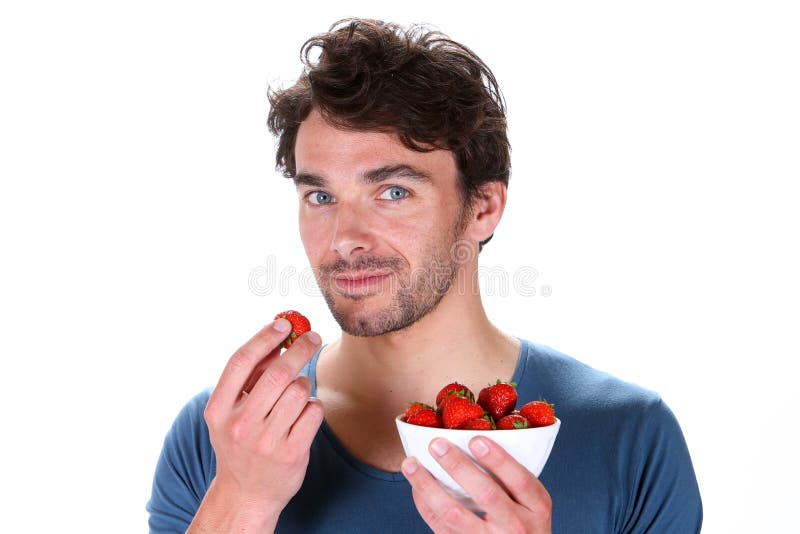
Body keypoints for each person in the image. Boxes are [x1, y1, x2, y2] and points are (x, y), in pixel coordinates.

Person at [147, 18, 702, 533]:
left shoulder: (631, 438)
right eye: (320, 195)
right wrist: (241, 500)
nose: (344, 238)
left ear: (483, 207)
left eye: (393, 192)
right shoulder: (221, 435)